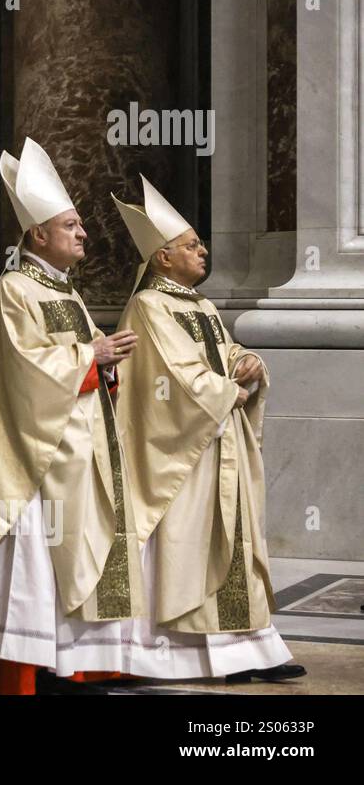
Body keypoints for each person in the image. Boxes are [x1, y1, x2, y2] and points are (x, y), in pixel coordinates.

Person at [0, 137, 145, 695]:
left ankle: (75, 660)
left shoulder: (68, 295)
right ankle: (35, 664)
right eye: (72, 225)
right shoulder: (14, 291)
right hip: (35, 460)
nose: (84, 234)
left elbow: (82, 363)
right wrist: (88, 357)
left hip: (80, 449)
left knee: (79, 549)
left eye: (80, 226)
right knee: (37, 556)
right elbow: (20, 373)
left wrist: (108, 363)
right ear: (38, 234)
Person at [111, 176, 304, 684]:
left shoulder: (202, 306)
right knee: (191, 546)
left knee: (236, 543)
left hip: (221, 438)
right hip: (184, 452)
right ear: (162, 259)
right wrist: (224, 393)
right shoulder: (149, 306)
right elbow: (173, 378)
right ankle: (184, 654)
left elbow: (221, 358)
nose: (203, 251)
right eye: (191, 245)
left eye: (200, 243)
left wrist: (250, 363)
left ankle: (249, 651)